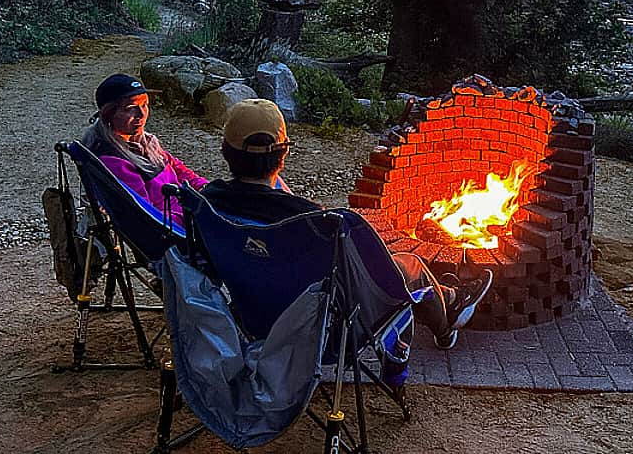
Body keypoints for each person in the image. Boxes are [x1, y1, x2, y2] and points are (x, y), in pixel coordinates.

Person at [201, 98, 493, 350]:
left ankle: (450, 295)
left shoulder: (209, 204)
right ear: (284, 153)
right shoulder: (313, 222)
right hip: (325, 330)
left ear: (226, 151)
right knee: (410, 264)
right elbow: (355, 276)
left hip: (253, 316)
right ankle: (449, 316)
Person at [79, 73, 209, 225]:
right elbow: (147, 217)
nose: (141, 114)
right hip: (175, 229)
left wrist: (206, 188)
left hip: (184, 208)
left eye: (145, 105)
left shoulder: (144, 141)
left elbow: (176, 167)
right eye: (131, 108)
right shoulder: (114, 161)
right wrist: (198, 215)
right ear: (109, 114)